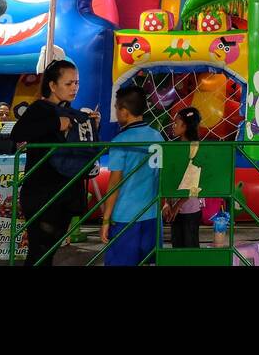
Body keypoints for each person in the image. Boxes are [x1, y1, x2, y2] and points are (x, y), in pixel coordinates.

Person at [12, 60, 100, 266]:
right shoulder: (40, 109)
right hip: (42, 194)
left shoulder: (73, 113)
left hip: (66, 193)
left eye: (76, 83)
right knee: (39, 252)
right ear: (52, 85)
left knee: (48, 252)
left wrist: (91, 127)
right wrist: (56, 123)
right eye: (69, 84)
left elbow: (85, 152)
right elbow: (18, 133)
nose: (74, 88)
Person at [101, 85, 163, 266]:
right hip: (152, 215)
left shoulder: (120, 141)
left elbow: (114, 182)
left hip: (125, 217)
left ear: (124, 111)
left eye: (116, 108)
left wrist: (106, 218)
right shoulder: (157, 137)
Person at [163, 107, 204, 248]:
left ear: (185, 126)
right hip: (174, 208)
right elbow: (168, 177)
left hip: (190, 210)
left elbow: (195, 183)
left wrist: (178, 205)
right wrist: (167, 203)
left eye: (176, 123)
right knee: (177, 248)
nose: (173, 126)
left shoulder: (197, 149)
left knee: (190, 250)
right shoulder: (172, 148)